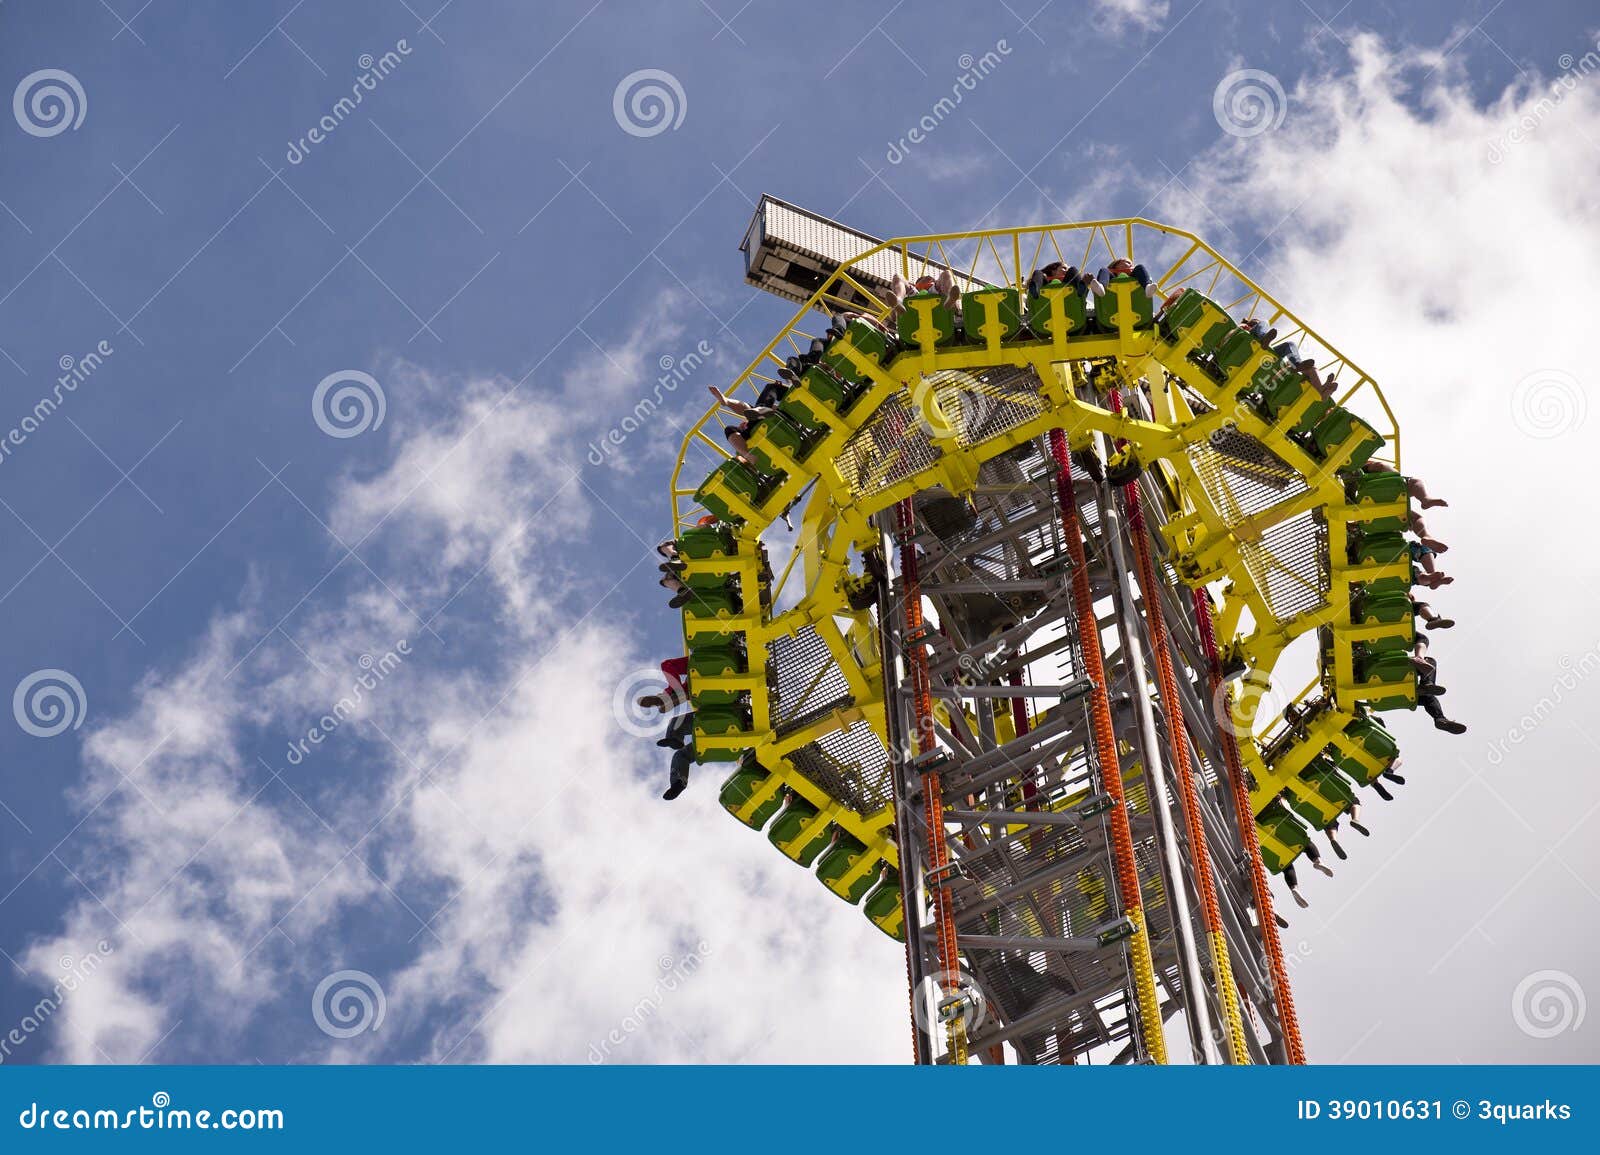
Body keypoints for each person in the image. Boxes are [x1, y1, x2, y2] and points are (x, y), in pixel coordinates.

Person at [709, 379, 788, 466]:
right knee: (731, 428)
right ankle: (728, 402)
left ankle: (730, 402)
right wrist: (741, 429)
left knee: (762, 401)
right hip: (762, 425)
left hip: (778, 420)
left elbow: (776, 409)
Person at [1412, 635, 1466, 734]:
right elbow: (1421, 638)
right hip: (1389, 667)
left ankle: (1440, 719)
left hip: (1385, 693)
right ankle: (1427, 683)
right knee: (1430, 661)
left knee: (1428, 697)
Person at [1362, 460, 1448, 509]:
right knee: (1414, 482)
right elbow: (1378, 466)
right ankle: (1424, 499)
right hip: (1372, 490)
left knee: (1415, 517)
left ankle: (1426, 536)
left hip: (1385, 495)